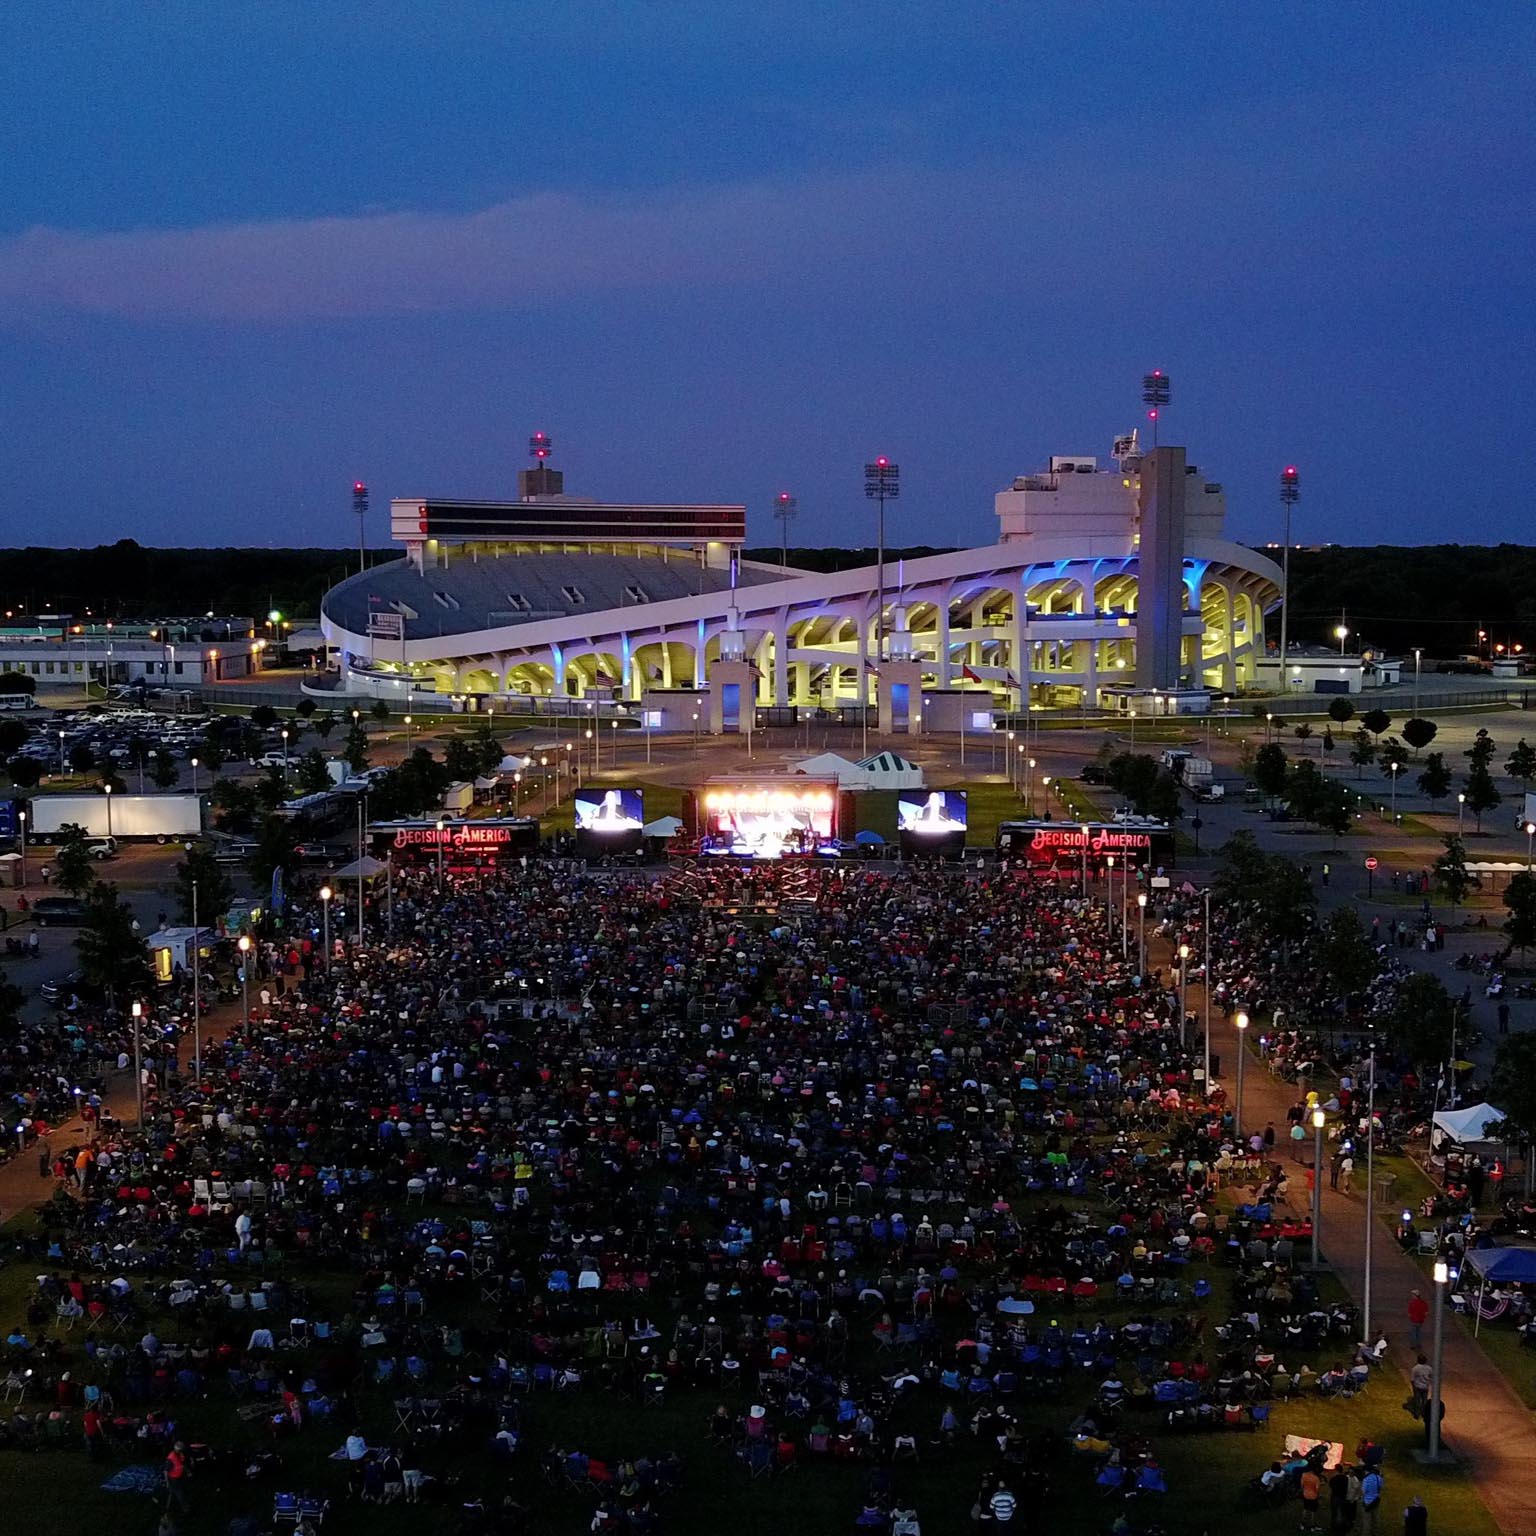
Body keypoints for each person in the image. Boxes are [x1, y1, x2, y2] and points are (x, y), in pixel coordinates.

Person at [1361, 1466, 1383, 1535]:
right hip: (1376, 1501)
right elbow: (1380, 1487)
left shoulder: (1366, 1480)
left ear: (1367, 1471)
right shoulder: (1378, 1478)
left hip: (1367, 1503)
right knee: (1375, 1519)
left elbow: (1363, 1492)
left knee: (1367, 1521)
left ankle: (1366, 1534)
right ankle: (1375, 1533)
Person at [1301, 1465, 1324, 1531]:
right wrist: (1318, 1494)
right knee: (1312, 1511)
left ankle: (1302, 1524)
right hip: (1313, 1496)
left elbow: (1302, 1485)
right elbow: (1317, 1489)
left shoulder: (1303, 1475)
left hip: (1305, 1494)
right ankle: (1312, 1526)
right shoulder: (1316, 1478)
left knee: (1305, 1509)